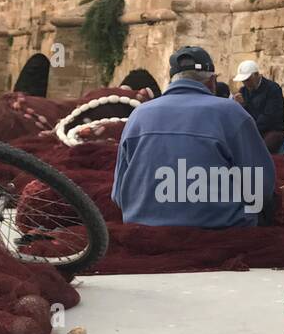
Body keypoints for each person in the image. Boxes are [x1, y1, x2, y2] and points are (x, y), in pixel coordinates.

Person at [112, 46, 275, 228]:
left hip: (142, 229)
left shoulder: (138, 115)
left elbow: (118, 194)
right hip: (219, 232)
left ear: (172, 80)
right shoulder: (231, 112)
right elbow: (261, 188)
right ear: (212, 81)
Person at [232, 59, 284, 152]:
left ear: (257, 75)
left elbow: (269, 117)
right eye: (243, 81)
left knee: (261, 149)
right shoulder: (243, 91)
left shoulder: (272, 89)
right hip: (252, 130)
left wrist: (244, 106)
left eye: (248, 80)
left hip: (272, 130)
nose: (245, 83)